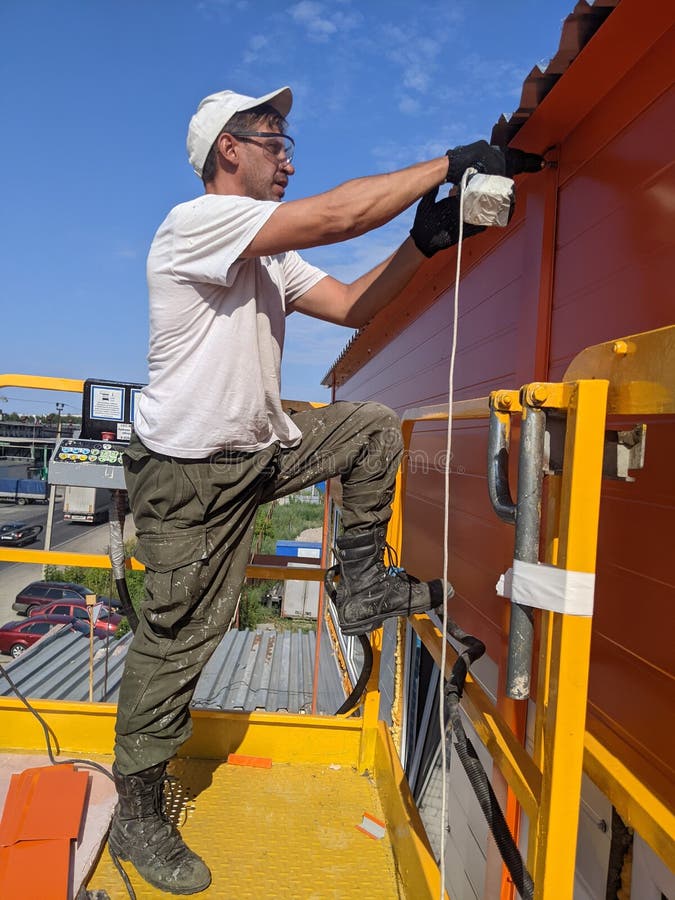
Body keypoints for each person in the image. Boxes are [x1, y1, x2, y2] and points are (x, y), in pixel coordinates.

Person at [109, 85, 541, 894]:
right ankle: (137, 818)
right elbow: (339, 215)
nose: (290, 158)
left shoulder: (265, 251)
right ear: (227, 149)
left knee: (371, 427)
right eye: (275, 142)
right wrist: (447, 165)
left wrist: (424, 241)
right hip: (189, 477)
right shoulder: (196, 222)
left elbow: (349, 306)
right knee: (178, 643)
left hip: (256, 451)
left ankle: (361, 586)